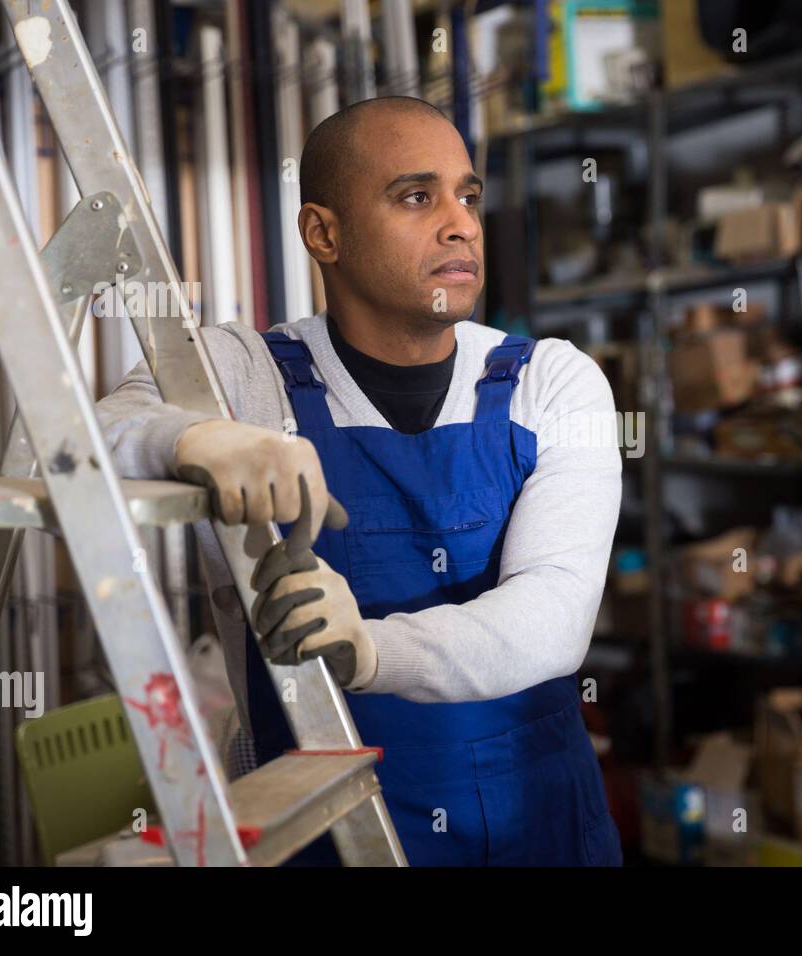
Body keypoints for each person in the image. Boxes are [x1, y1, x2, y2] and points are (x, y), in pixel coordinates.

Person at [95, 95, 623, 866]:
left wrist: (368, 651)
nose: (461, 223)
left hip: (541, 833)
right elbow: (71, 446)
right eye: (417, 196)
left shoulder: (552, 381)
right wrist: (194, 438)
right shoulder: (244, 378)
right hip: (322, 838)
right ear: (323, 233)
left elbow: (554, 618)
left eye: (467, 196)